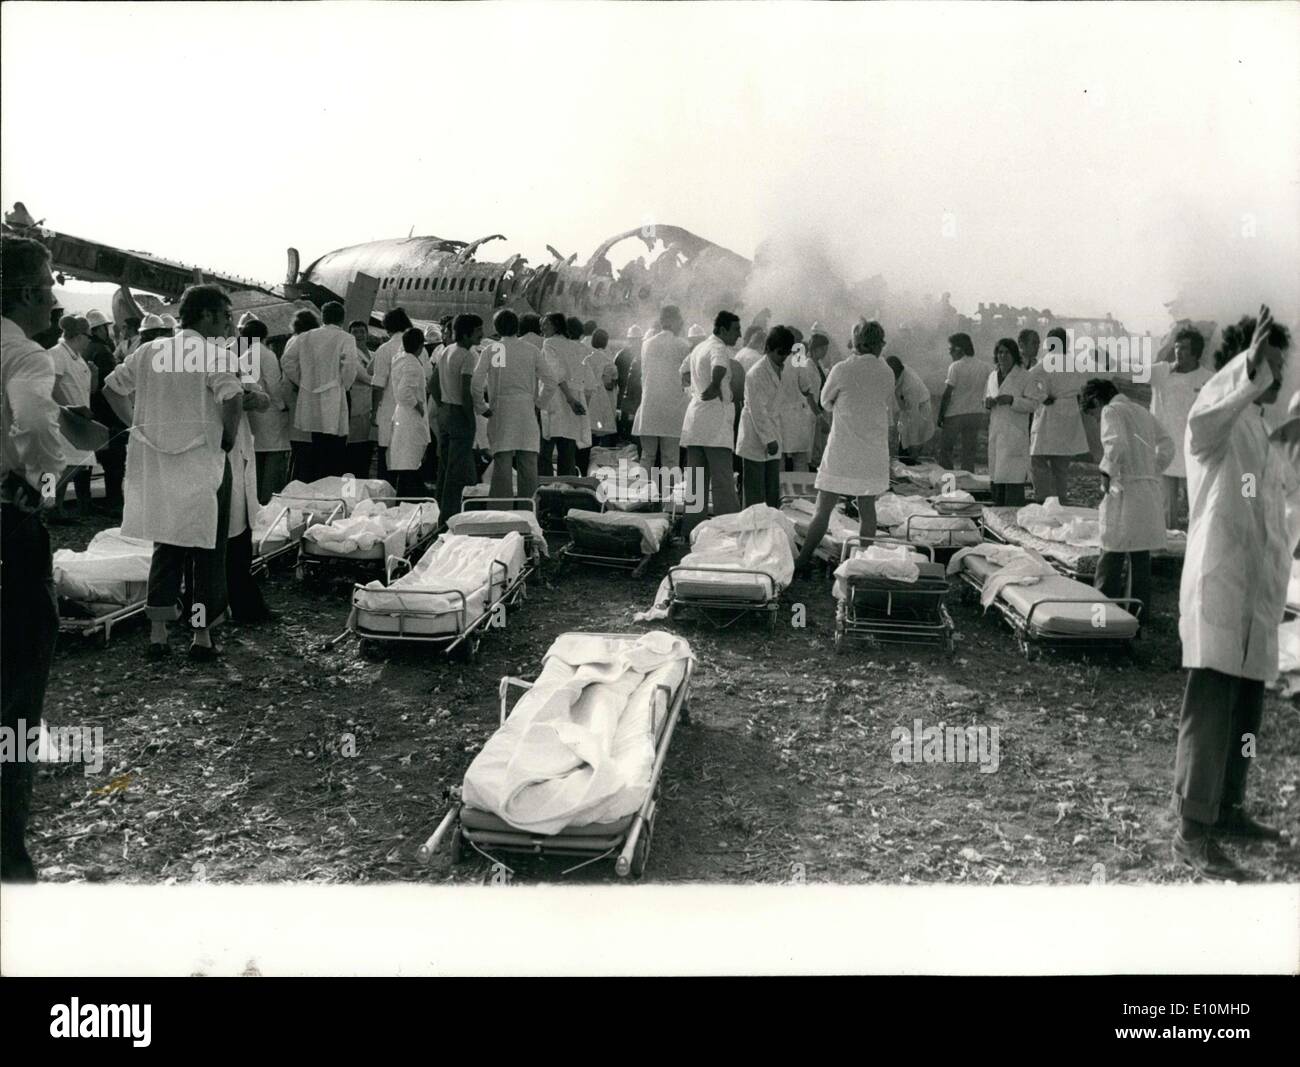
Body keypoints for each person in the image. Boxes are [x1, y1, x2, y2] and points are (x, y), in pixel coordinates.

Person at [1171, 306, 1297, 881]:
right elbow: (1200, 424)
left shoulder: (1263, 439)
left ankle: (1230, 806)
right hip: (1221, 587)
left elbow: (1279, 514)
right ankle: (1193, 827)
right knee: (1213, 705)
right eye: (1270, 361)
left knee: (1246, 714)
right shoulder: (1217, 420)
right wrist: (1247, 367)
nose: (1278, 373)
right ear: (1245, 363)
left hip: (1254, 598)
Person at [102, 284, 242, 661]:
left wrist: (137, 427)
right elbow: (232, 398)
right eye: (226, 317)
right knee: (204, 551)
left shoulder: (148, 351)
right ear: (209, 315)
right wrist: (226, 440)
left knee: (167, 546)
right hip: (201, 464)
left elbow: (111, 388)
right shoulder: (214, 355)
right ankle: (200, 636)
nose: (229, 326)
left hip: (158, 465)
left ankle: (158, 634)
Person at [1, 235, 65, 881]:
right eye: (48, 285)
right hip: (7, 525)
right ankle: (5, 852)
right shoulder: (23, 354)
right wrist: (44, 485)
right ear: (23, 293)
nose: (55, 296)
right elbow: (35, 427)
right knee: (15, 691)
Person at [792, 319, 895, 576]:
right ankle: (862, 565)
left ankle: (803, 560)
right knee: (867, 512)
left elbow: (825, 402)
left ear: (855, 343)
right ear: (879, 344)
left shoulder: (841, 369)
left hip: (844, 448)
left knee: (823, 509)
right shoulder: (886, 372)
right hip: (872, 450)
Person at [1081, 378, 1173, 629]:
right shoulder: (1142, 411)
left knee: (1111, 552)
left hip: (1124, 490)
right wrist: (1153, 467)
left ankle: (1102, 617)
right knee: (1139, 555)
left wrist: (1106, 474)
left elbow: (1116, 444)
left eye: (1094, 415)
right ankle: (1137, 616)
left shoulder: (1112, 410)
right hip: (1147, 490)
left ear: (1097, 401)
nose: (1097, 420)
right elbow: (1167, 444)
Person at [473, 308, 554, 500]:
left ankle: (502, 514)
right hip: (526, 409)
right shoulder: (531, 350)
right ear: (517, 327)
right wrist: (538, 404)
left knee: (502, 464)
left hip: (501, 409)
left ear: (496, 328)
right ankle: (530, 511)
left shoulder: (494, 350)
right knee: (529, 464)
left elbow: (476, 383)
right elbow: (550, 382)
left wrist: (481, 407)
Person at [281, 301, 360, 481]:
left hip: (310, 395)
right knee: (335, 448)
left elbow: (287, 361)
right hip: (334, 394)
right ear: (342, 319)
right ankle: (329, 488)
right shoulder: (346, 338)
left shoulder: (306, 336)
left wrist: (303, 382)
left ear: (323, 317)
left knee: (316, 444)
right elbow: (350, 367)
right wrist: (343, 386)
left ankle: (315, 486)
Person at [680, 311, 742, 532]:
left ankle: (691, 530)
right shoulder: (718, 348)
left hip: (696, 421)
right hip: (714, 423)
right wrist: (715, 385)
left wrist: (693, 391)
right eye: (736, 329)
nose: (739, 334)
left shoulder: (699, 348)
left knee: (696, 482)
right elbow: (719, 366)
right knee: (723, 483)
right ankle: (732, 532)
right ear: (723, 329)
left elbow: (683, 371)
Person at [1148, 325, 1212, 528]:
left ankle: (1196, 547)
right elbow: (1128, 372)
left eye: (1184, 348)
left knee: (1198, 505)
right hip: (1165, 450)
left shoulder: (1209, 379)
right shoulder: (1160, 373)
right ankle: (1166, 547)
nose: (1178, 352)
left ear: (1196, 353)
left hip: (1195, 452)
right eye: (1177, 347)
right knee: (1165, 506)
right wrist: (1107, 361)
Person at [1025, 326, 1088, 504]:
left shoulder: (1048, 361)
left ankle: (1043, 496)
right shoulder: (1076, 362)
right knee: (1061, 462)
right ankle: (1061, 498)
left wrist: (1042, 396)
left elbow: (1026, 380)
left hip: (1051, 411)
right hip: (1070, 411)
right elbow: (1084, 384)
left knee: (1038, 458)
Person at [47, 314, 97, 520]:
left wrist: (94, 374)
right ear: (78, 335)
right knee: (62, 465)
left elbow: (90, 391)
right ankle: (48, 504)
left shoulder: (77, 357)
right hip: (61, 418)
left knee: (74, 463)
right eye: (88, 336)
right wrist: (69, 408)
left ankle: (52, 506)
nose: (89, 341)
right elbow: (52, 384)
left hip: (76, 418)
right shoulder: (58, 354)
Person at [737, 325, 792, 508]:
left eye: (787, 353)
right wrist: (769, 439)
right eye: (780, 352)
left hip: (773, 433)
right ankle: (753, 530)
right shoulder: (756, 374)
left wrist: (774, 438)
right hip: (756, 435)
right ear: (767, 348)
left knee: (772, 491)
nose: (783, 357)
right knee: (755, 493)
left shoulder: (781, 368)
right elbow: (757, 411)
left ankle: (770, 529)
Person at [436, 313, 483, 522]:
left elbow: (432, 385)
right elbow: (466, 391)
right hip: (459, 414)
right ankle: (449, 518)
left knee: (446, 468)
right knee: (457, 471)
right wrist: (471, 421)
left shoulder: (446, 350)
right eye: (478, 330)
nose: (482, 334)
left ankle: (442, 511)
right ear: (466, 334)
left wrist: (443, 404)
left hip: (445, 411)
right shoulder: (469, 355)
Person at [633, 305, 690, 471]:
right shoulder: (682, 346)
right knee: (670, 458)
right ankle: (668, 494)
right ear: (674, 321)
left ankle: (643, 493)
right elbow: (687, 379)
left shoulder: (647, 344)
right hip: (672, 409)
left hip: (649, 406)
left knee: (647, 456)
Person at [241, 316, 291, 503]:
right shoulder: (267, 354)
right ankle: (269, 501)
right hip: (269, 412)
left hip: (253, 414)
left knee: (257, 460)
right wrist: (282, 405)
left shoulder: (244, 356)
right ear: (265, 335)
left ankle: (256, 502)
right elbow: (274, 385)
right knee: (274, 458)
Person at [984, 337, 1037, 506]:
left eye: (1007, 352)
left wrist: (1012, 400)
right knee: (997, 477)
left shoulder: (1024, 376)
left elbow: (1033, 404)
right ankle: (997, 517)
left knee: (1013, 478)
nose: (1003, 356)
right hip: (996, 431)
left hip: (1014, 433)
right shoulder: (993, 376)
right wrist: (987, 402)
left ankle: (1013, 516)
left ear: (1015, 355)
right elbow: (985, 396)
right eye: (1000, 352)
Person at [85, 308, 126, 511]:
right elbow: (113, 384)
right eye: (105, 328)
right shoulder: (102, 351)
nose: (107, 331)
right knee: (115, 460)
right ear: (98, 329)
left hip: (91, 409)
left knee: (86, 459)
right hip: (107, 411)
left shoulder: (85, 348)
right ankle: (114, 502)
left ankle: (86, 503)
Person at [542, 312, 590, 476]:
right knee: (568, 450)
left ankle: (546, 489)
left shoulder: (549, 343)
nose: (542, 327)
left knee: (545, 450)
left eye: (546, 324)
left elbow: (557, 373)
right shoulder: (576, 346)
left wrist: (569, 399)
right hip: (575, 398)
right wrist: (576, 399)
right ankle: (567, 489)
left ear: (555, 326)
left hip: (556, 398)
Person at [370, 308, 414, 482]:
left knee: (386, 460)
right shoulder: (419, 348)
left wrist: (374, 411)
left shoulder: (384, 349)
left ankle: (385, 500)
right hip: (411, 410)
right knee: (408, 461)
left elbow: (378, 384)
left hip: (388, 410)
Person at [387, 327, 433, 497]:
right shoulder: (413, 364)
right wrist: (418, 405)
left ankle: (405, 496)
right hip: (410, 414)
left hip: (402, 414)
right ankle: (410, 497)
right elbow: (404, 391)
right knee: (411, 458)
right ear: (421, 346)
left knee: (405, 458)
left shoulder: (399, 359)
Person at [935, 332, 988, 473]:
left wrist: (940, 415)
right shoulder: (984, 367)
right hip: (976, 414)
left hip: (955, 414)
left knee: (946, 449)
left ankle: (946, 480)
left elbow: (947, 393)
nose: (950, 353)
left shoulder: (956, 366)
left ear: (959, 349)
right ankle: (967, 481)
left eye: (951, 349)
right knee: (969, 452)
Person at [284, 309, 318, 481]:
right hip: (301, 398)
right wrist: (303, 383)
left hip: (294, 398)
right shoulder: (304, 341)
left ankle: (292, 485)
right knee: (304, 453)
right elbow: (289, 365)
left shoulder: (292, 340)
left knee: (297, 452)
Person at [777, 338, 820, 472]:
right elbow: (806, 388)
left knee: (779, 458)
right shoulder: (798, 361)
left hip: (778, 416)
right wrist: (818, 414)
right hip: (796, 416)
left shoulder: (773, 360)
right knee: (800, 458)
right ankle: (800, 491)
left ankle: (779, 490)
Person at [886, 355, 934, 460]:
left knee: (910, 448)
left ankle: (909, 460)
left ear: (895, 374)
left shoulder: (911, 385)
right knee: (903, 441)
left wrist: (914, 444)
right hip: (907, 408)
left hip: (920, 410)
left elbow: (914, 417)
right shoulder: (898, 373)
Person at [345, 320, 377, 479]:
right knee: (353, 451)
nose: (359, 335)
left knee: (367, 450)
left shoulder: (374, 354)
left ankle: (363, 487)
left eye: (362, 331)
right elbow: (363, 376)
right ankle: (349, 492)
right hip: (356, 407)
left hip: (371, 407)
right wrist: (379, 381)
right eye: (355, 332)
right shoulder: (350, 355)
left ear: (367, 334)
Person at [585, 328, 619, 446]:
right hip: (601, 394)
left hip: (587, 393)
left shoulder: (587, 357)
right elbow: (610, 380)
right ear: (606, 342)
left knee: (588, 424)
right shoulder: (606, 359)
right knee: (601, 425)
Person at [614, 324, 643, 444]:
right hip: (638, 398)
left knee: (625, 431)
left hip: (624, 398)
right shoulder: (644, 354)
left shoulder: (620, 354)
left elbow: (614, 378)